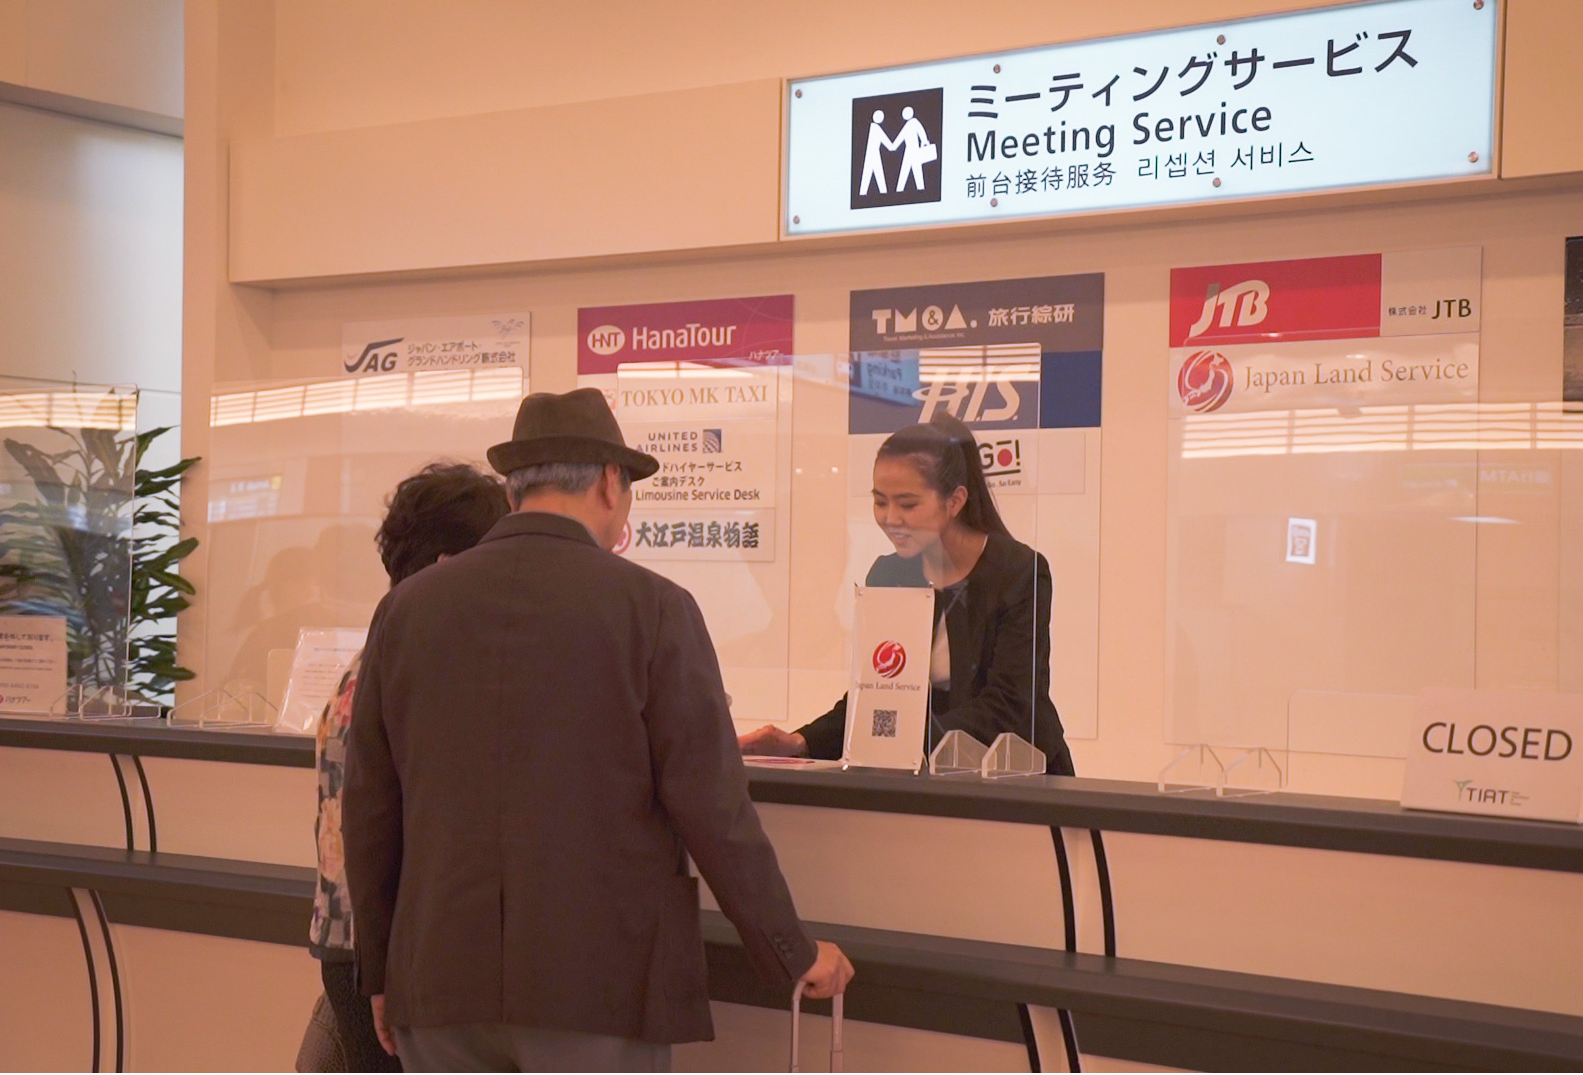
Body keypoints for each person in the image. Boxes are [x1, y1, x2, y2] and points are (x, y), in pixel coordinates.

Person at [343, 389, 853, 1073]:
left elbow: (370, 809)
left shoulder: (406, 610)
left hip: (435, 983)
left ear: (514, 485)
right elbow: (712, 807)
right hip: (600, 986)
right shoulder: (653, 608)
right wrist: (788, 950)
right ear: (611, 481)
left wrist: (380, 972)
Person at [738, 415, 1075, 775]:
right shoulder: (889, 573)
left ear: (955, 500)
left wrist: (897, 735)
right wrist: (802, 742)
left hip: (1017, 777)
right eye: (880, 502)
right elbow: (877, 693)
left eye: (907, 504)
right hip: (923, 777)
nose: (890, 518)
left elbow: (1010, 704)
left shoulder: (1019, 570)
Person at [310, 462, 509, 1073]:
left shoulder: (372, 658)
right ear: (452, 566)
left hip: (357, 949)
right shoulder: (427, 665)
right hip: (389, 957)